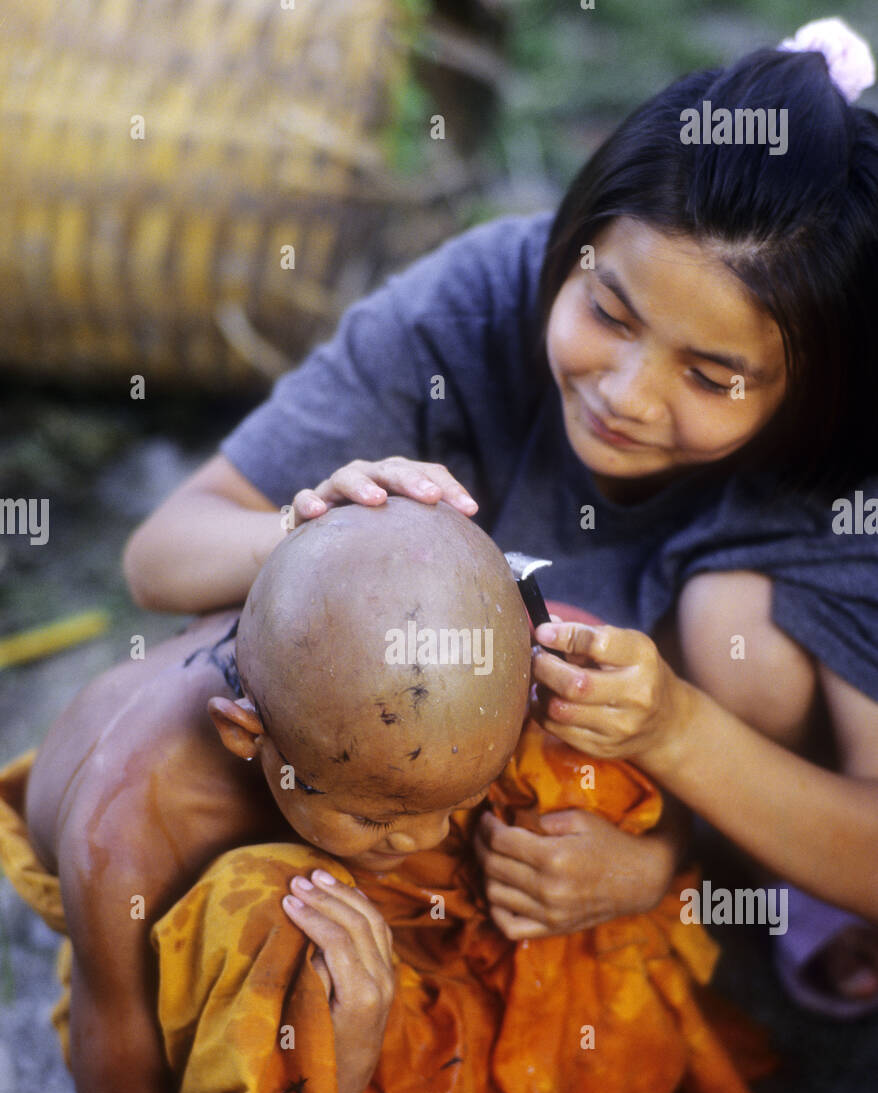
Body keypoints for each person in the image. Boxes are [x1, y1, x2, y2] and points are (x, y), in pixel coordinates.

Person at [123, 17, 878, 1019]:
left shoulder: (838, 470)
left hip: (680, 799)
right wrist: (312, 537)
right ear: (572, 244)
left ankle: (740, 901)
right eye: (607, 312)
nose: (626, 393)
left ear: (807, 386)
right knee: (222, 651)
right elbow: (160, 557)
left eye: (709, 375)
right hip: (416, 796)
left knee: (738, 629)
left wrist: (667, 802)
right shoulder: (473, 305)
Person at [0, 500, 772, 1093]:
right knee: (265, 917)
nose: (423, 840)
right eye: (376, 818)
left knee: (578, 768)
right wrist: (326, 1075)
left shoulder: (502, 647)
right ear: (244, 734)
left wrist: (646, 864)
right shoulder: (130, 839)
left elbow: (672, 780)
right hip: (215, 951)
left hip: (348, 788)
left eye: (453, 803)